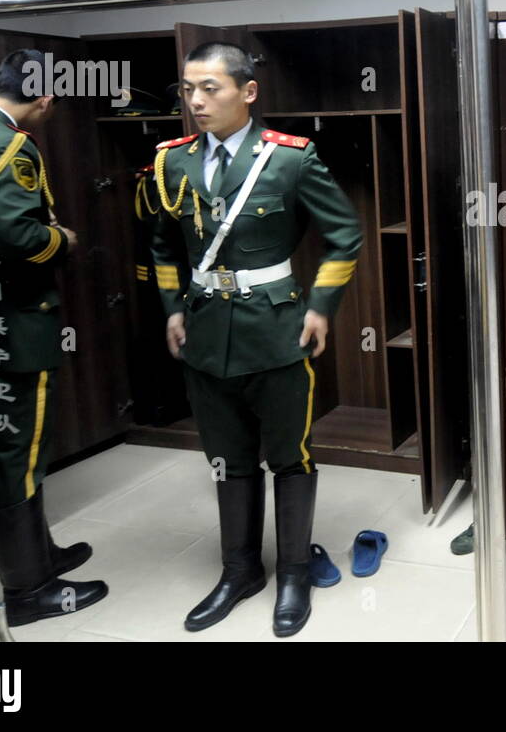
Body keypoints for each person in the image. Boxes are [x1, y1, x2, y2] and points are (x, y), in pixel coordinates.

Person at [150, 42, 362, 636]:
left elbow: (346, 235)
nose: (195, 101)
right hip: (203, 332)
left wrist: (321, 307)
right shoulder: (172, 161)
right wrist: (171, 309)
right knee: (226, 459)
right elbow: (163, 246)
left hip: (276, 329)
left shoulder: (290, 159)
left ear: (248, 92)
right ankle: (239, 570)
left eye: (210, 88)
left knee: (288, 456)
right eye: (188, 89)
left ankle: (293, 572)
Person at [0, 49, 108, 627]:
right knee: (16, 455)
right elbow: (19, 232)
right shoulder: (12, 145)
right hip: (14, 327)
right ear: (45, 99)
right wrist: (64, 238)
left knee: (11, 451)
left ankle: (37, 556)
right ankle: (28, 590)